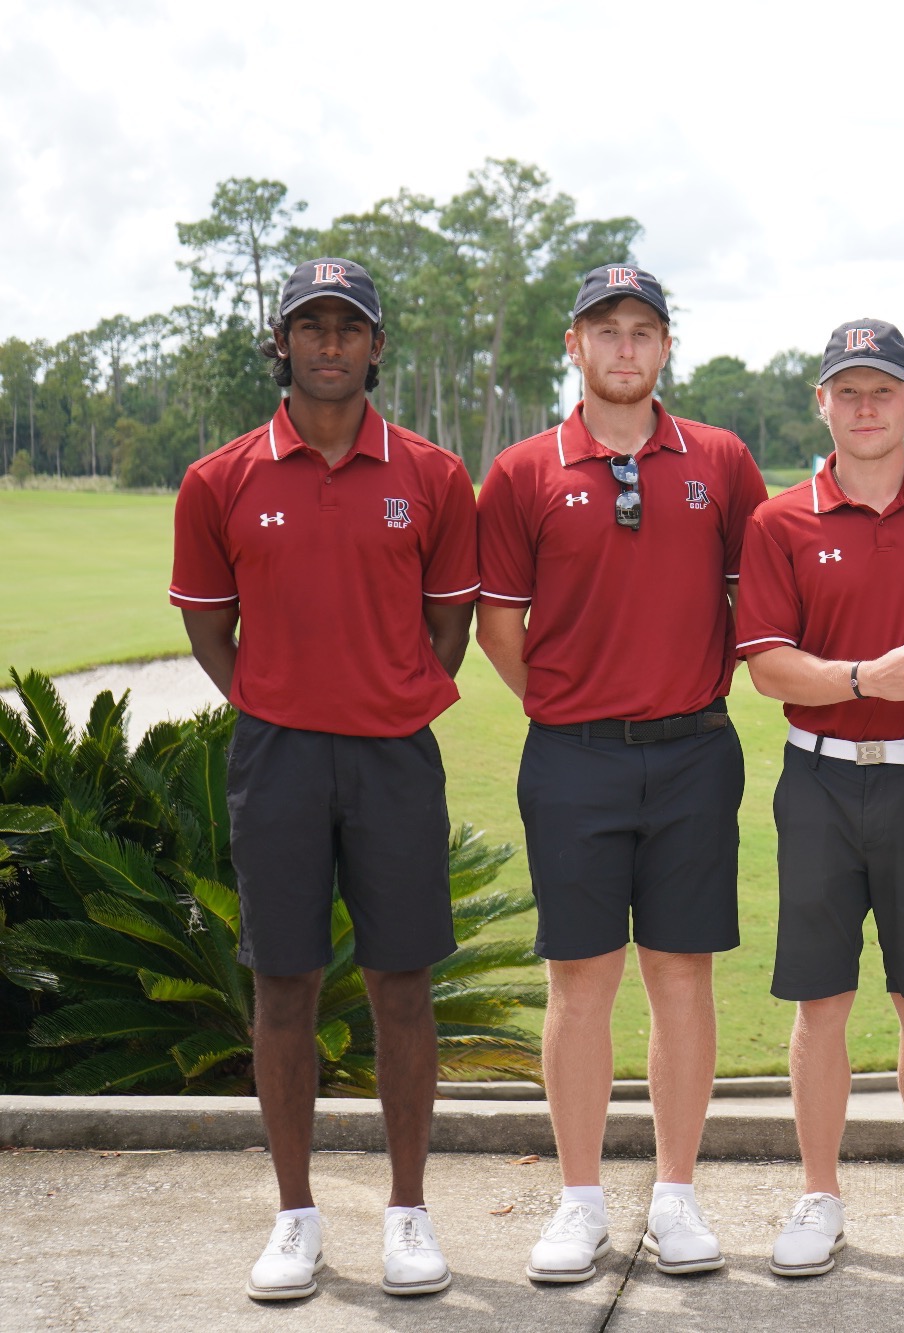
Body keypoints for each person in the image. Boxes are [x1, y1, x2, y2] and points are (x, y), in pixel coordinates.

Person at [171, 258, 477, 1302]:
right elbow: (210, 629)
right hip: (279, 757)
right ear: (283, 342)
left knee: (402, 983)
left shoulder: (433, 475)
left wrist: (388, 697)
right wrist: (277, 701)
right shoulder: (221, 478)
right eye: (313, 326)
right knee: (284, 981)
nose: (332, 344)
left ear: (378, 346)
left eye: (351, 327)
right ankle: (294, 1215)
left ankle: (407, 1213)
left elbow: (451, 625)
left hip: (395, 755)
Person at [474, 263, 766, 1284]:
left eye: (644, 330)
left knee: (682, 975)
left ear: (665, 346)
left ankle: (675, 1197)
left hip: (694, 749)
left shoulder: (722, 461)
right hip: (571, 757)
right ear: (575, 346)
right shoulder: (521, 471)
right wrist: (564, 705)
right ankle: (580, 1199)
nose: (626, 349)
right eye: (607, 331)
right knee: (580, 979)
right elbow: (497, 626)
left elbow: (753, 603)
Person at [734, 318, 904, 1278]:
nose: (865, 408)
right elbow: (769, 668)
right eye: (846, 391)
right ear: (821, 402)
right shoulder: (780, 519)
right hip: (817, 778)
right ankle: (820, 1193)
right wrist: (865, 679)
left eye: (882, 391)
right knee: (821, 998)